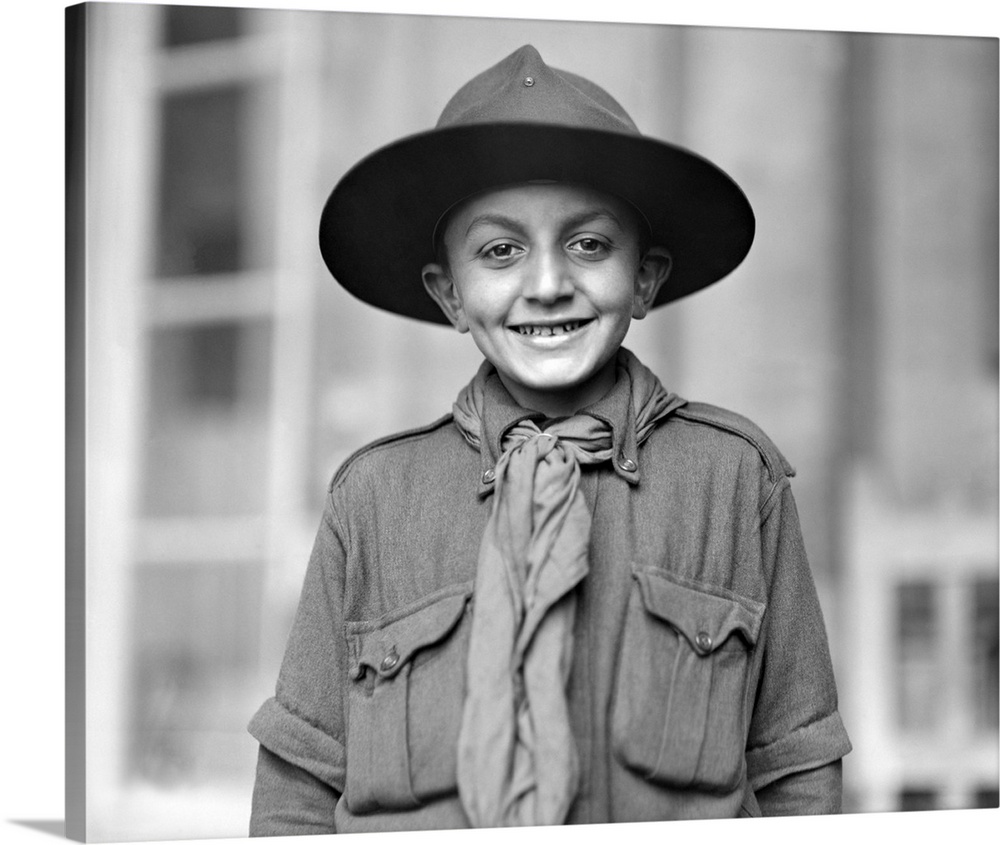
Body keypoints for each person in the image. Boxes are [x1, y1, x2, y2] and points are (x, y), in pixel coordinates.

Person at [247, 44, 851, 835]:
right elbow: (298, 787)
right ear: (450, 295)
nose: (546, 284)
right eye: (500, 251)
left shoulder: (735, 480)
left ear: (645, 278)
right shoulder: (374, 499)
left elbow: (797, 768)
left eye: (588, 244)